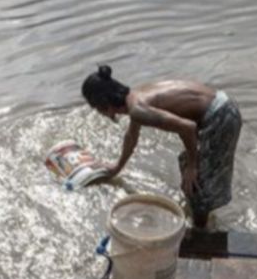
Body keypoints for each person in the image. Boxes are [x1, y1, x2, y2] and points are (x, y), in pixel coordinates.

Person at [81, 64, 241, 227]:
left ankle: (201, 232)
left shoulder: (138, 110)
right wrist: (117, 167)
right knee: (188, 167)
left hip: (221, 116)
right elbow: (131, 137)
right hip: (221, 104)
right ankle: (199, 216)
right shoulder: (135, 97)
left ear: (103, 104)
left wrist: (193, 166)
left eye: (96, 108)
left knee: (199, 179)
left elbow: (187, 127)